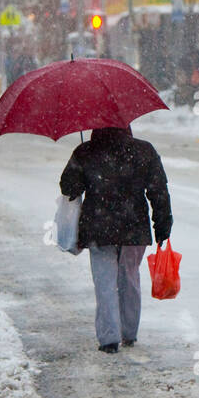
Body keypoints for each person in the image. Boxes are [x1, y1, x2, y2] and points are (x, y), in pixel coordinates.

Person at [59, 126, 173, 354]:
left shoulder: (85, 151)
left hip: (98, 228)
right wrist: (162, 224)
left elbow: (68, 187)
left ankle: (109, 339)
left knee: (104, 282)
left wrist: (82, 164)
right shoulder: (144, 150)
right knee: (129, 277)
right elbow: (158, 190)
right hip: (134, 227)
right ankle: (129, 332)